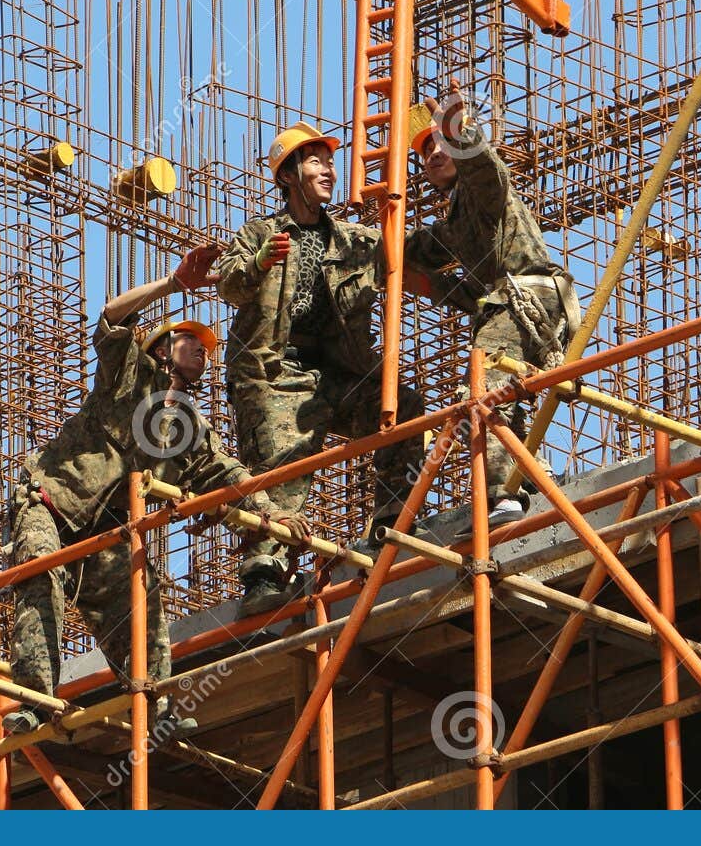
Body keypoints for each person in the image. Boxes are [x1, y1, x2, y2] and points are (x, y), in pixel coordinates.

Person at [5, 244, 276, 736]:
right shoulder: (127, 376)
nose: (202, 349)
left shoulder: (187, 427)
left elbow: (226, 473)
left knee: (141, 598)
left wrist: (269, 511)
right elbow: (109, 316)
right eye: (188, 340)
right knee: (41, 574)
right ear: (159, 349)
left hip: (106, 532)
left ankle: (154, 707)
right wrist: (172, 286)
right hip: (50, 502)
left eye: (206, 346)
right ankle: (34, 701)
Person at [216, 122, 458, 616]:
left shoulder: (350, 240)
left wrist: (466, 206)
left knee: (402, 406)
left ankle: (393, 519)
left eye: (328, 161)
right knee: (282, 466)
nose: (328, 170)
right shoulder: (261, 234)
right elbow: (229, 284)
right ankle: (263, 575)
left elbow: (414, 253)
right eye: (315, 162)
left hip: (332, 375)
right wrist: (259, 263)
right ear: (287, 176)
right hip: (273, 374)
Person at [406, 79, 582, 528]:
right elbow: (411, 248)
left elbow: (489, 172)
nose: (434, 154)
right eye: (426, 152)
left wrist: (461, 134)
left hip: (527, 296)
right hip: (517, 300)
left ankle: (501, 494)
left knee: (482, 391)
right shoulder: (455, 223)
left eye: (439, 146)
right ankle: (522, 478)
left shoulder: (479, 193)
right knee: (511, 390)